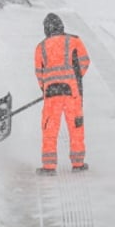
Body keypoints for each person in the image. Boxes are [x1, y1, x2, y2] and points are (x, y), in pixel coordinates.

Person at [34, 13, 91, 174]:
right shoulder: (74, 41)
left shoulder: (41, 47)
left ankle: (49, 166)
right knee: (76, 127)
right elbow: (85, 61)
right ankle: (78, 163)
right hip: (71, 92)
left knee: (49, 129)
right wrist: (75, 77)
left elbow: (39, 71)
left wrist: (44, 88)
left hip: (52, 94)